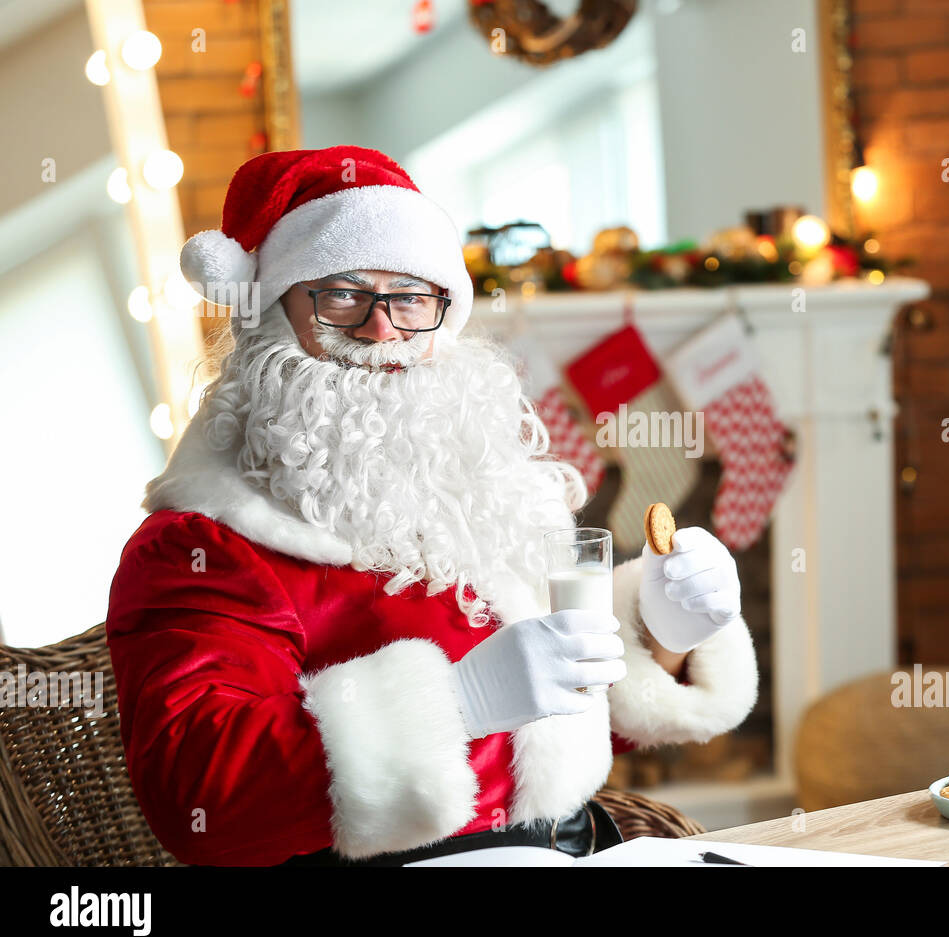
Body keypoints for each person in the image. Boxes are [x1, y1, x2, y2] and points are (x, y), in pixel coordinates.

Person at [105, 145, 759, 866]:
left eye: (411, 298)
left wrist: (662, 636)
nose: (382, 329)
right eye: (341, 294)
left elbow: (557, 716)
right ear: (271, 317)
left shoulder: (472, 487)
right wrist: (458, 703)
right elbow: (200, 801)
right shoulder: (201, 545)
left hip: (575, 849)